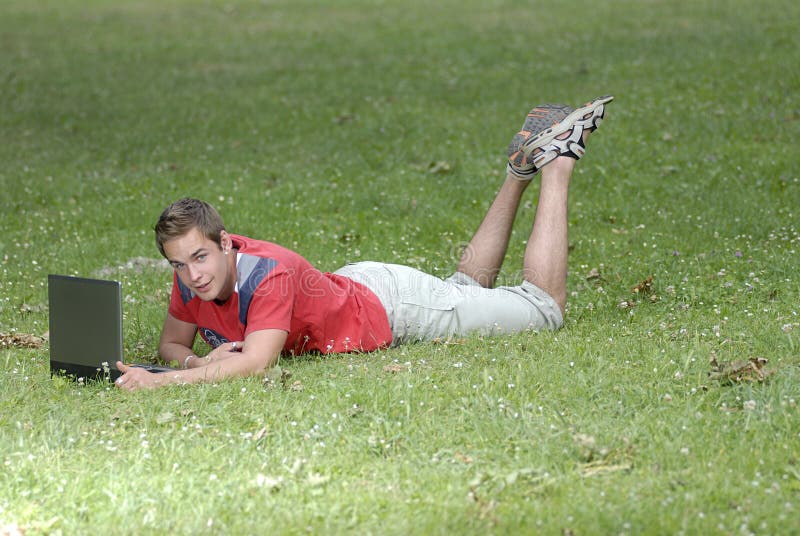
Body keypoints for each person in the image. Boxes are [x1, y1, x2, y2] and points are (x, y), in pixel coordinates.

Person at [115, 95, 613, 390]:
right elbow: (172, 343)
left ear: (226, 244)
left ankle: (560, 161)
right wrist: (198, 361)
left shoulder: (268, 275)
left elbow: (256, 363)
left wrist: (164, 381)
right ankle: (520, 171)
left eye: (201, 257)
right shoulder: (192, 275)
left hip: (395, 307)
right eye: (180, 265)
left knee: (543, 309)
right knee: (465, 288)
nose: (193, 274)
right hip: (360, 288)